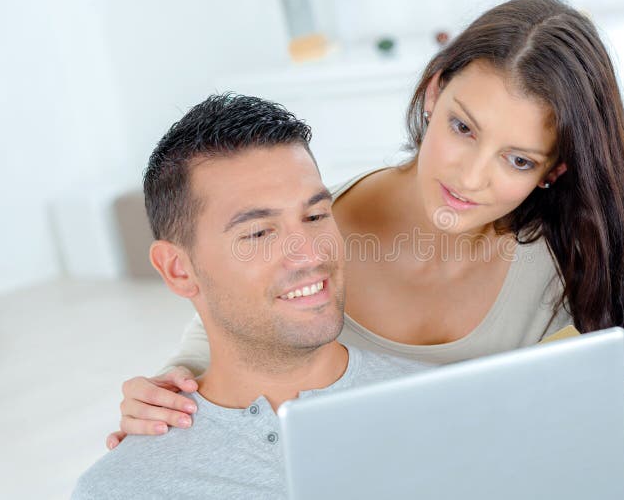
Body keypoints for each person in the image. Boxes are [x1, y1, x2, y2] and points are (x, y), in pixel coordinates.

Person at [109, 0, 624, 498]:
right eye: (464, 128)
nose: (471, 178)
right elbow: (218, 344)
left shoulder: (558, 272)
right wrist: (161, 396)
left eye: (518, 160)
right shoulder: (306, 237)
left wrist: (584, 424)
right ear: (434, 91)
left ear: (551, 171)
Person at [73, 95, 426, 499]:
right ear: (178, 269)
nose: (310, 254)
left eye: (314, 217)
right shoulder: (123, 488)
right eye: (258, 232)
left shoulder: (442, 408)